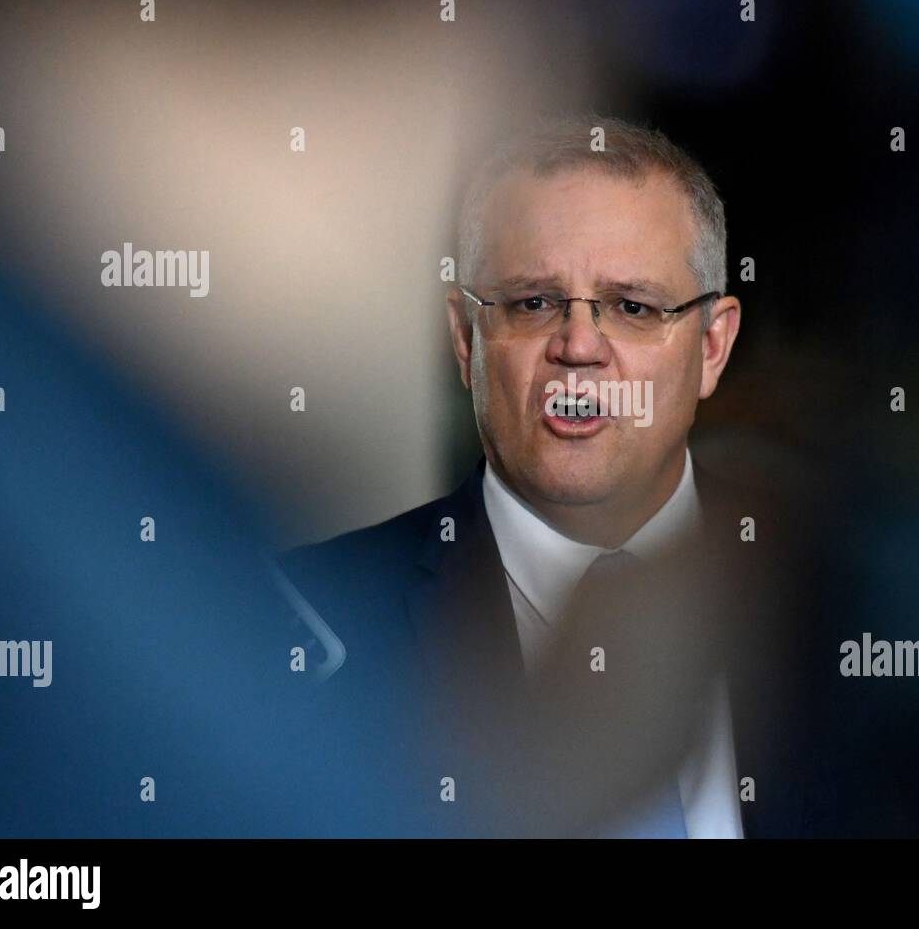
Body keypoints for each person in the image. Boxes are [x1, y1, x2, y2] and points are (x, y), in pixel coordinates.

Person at [277, 115, 804, 838]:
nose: (580, 345)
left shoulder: (835, 608)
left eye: (633, 306)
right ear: (465, 340)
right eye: (533, 303)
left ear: (713, 346)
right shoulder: (298, 626)